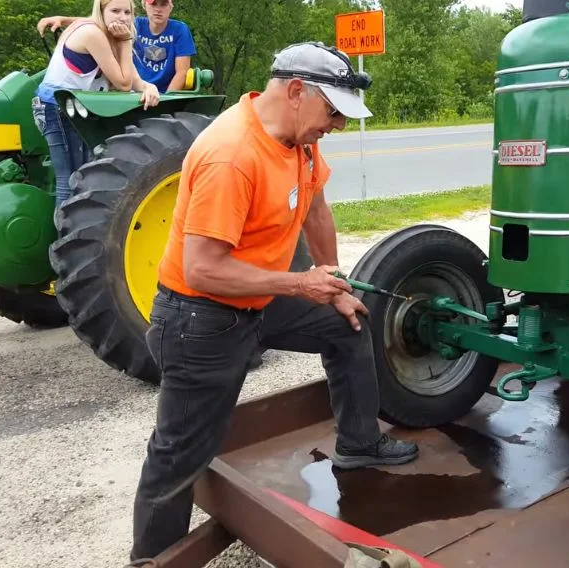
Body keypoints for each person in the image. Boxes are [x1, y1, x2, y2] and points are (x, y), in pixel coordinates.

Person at [127, 42, 419, 562]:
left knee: (346, 323)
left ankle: (358, 443)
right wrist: (299, 284)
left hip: (258, 298)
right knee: (179, 452)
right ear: (296, 91)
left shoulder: (299, 140)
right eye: (333, 112)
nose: (338, 126)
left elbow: (317, 209)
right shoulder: (231, 155)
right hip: (200, 318)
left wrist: (332, 281)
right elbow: (203, 268)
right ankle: (152, 558)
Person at [33, 0, 160, 210]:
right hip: (55, 107)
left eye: (127, 12)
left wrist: (149, 88)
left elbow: (134, 81)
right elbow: (123, 83)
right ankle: (65, 242)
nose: (123, 17)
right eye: (115, 11)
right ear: (101, 12)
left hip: (75, 109)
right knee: (69, 180)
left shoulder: (108, 36)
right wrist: (126, 41)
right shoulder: (93, 34)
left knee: (83, 177)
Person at [38, 0, 197, 93]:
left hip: (161, 92)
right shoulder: (135, 25)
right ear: (144, 5)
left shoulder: (179, 30)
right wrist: (63, 19)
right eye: (154, 4)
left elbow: (182, 72)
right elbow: (102, 21)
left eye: (163, 4)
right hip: (133, 92)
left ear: (171, 6)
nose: (158, 9)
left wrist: (166, 101)